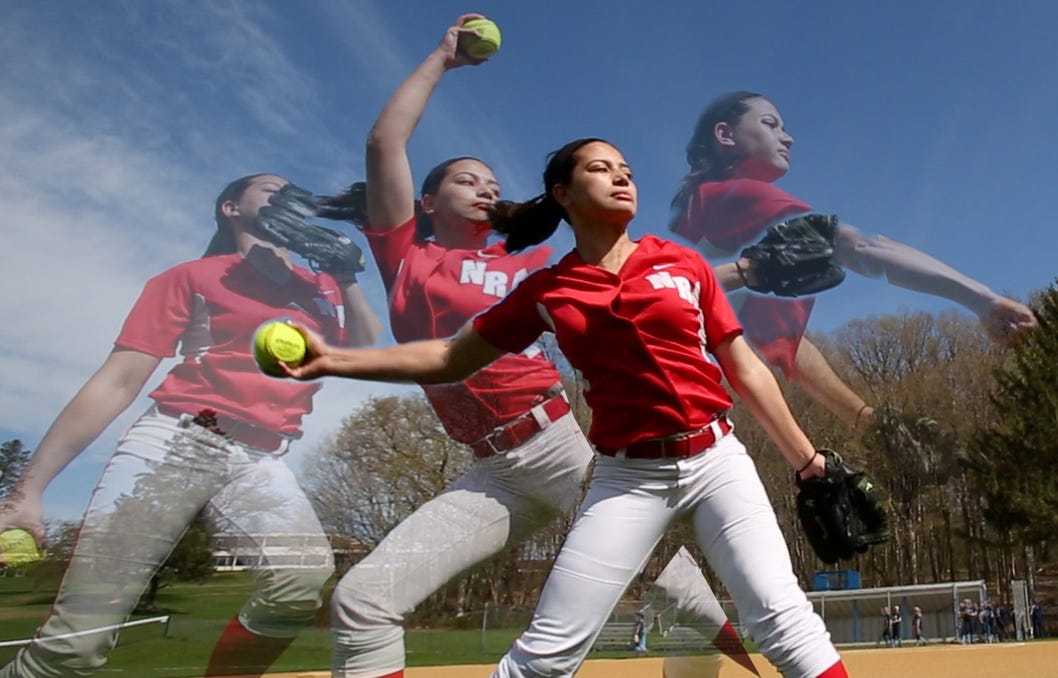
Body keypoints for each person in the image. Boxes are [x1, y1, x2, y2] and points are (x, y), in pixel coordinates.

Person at [281, 137, 850, 678]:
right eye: (600, 168)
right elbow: (450, 357)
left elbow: (744, 367)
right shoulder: (549, 289)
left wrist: (806, 460)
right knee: (546, 655)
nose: (621, 175)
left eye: (624, 167)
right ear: (563, 194)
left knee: (785, 623)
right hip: (627, 479)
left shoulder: (681, 263)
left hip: (718, 460)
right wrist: (333, 359)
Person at [317, 16, 746, 678]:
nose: (485, 188)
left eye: (492, 182)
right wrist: (441, 58)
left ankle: (713, 628)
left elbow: (629, 285)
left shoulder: (529, 269)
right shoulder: (406, 255)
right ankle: (690, 603)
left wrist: (738, 275)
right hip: (492, 470)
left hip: (555, 441)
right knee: (362, 601)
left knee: (662, 580)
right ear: (426, 201)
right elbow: (383, 141)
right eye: (466, 180)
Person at [0, 173, 382, 678]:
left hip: (260, 459)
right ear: (231, 209)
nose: (284, 194)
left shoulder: (316, 288)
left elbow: (360, 349)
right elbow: (116, 382)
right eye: (269, 188)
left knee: (300, 582)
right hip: (178, 443)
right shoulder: (192, 277)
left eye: (291, 189)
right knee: (78, 646)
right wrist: (28, 490)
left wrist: (346, 276)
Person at [670, 91, 1038, 431]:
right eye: (770, 124)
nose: (789, 138)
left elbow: (782, 342)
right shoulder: (740, 195)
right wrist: (981, 300)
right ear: (725, 135)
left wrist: (863, 419)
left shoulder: (702, 215)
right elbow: (859, 248)